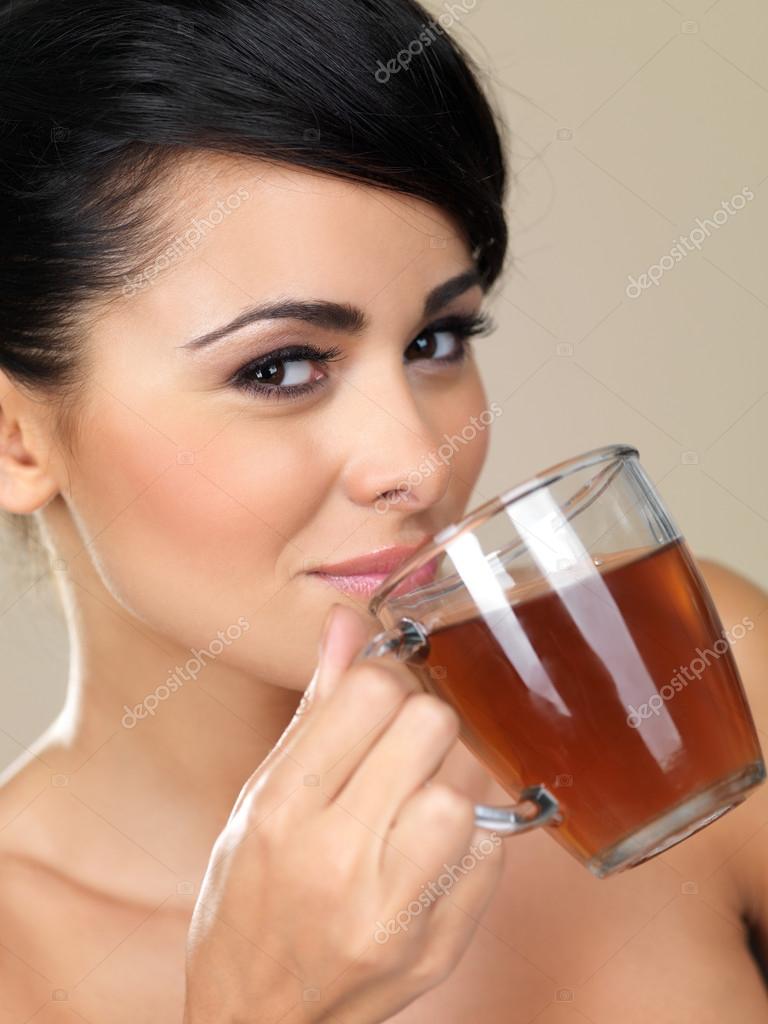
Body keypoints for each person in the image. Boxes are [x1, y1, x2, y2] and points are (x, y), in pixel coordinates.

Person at [1, 2, 767, 1021]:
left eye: (438, 340)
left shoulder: (669, 677)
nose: (417, 461)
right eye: (279, 367)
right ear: (17, 439)